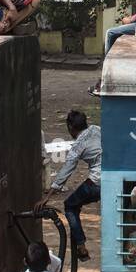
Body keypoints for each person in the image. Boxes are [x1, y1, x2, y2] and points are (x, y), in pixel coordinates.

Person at [36, 110, 100, 261]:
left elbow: (65, 172)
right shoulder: (97, 129)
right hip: (111, 178)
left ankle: (81, 246)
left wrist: (48, 196)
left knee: (70, 205)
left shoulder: (77, 146)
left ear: (70, 127)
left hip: (96, 181)